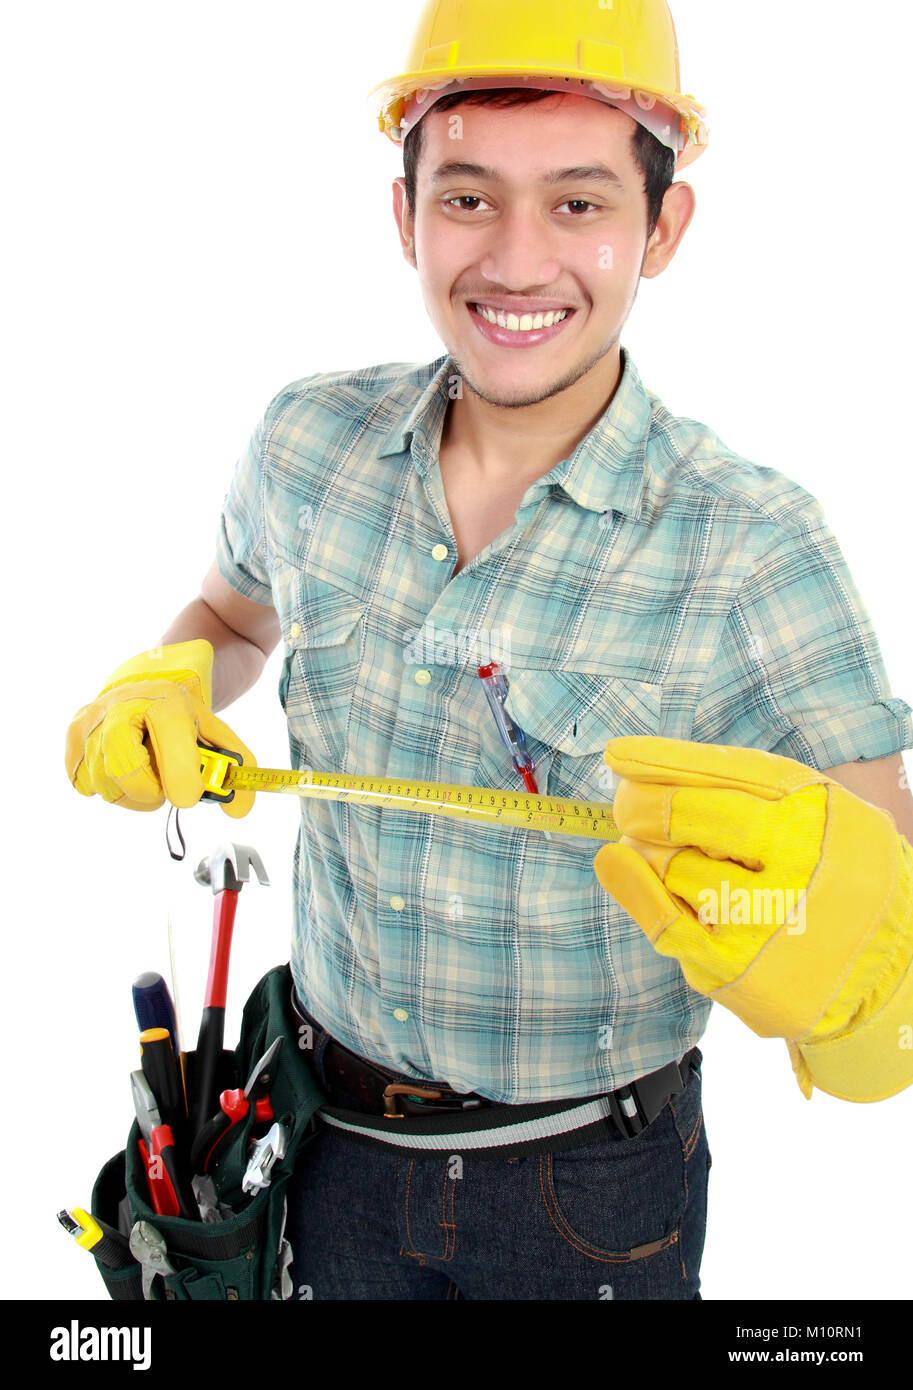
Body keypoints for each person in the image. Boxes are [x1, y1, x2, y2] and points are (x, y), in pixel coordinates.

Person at [64, 0, 913, 1301]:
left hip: (586, 1191)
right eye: (468, 198)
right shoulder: (305, 446)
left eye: (577, 204)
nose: (516, 261)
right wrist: (168, 672)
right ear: (402, 214)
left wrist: (850, 994)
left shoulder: (751, 543)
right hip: (321, 1139)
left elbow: (884, 880)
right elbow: (233, 614)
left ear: (660, 228)